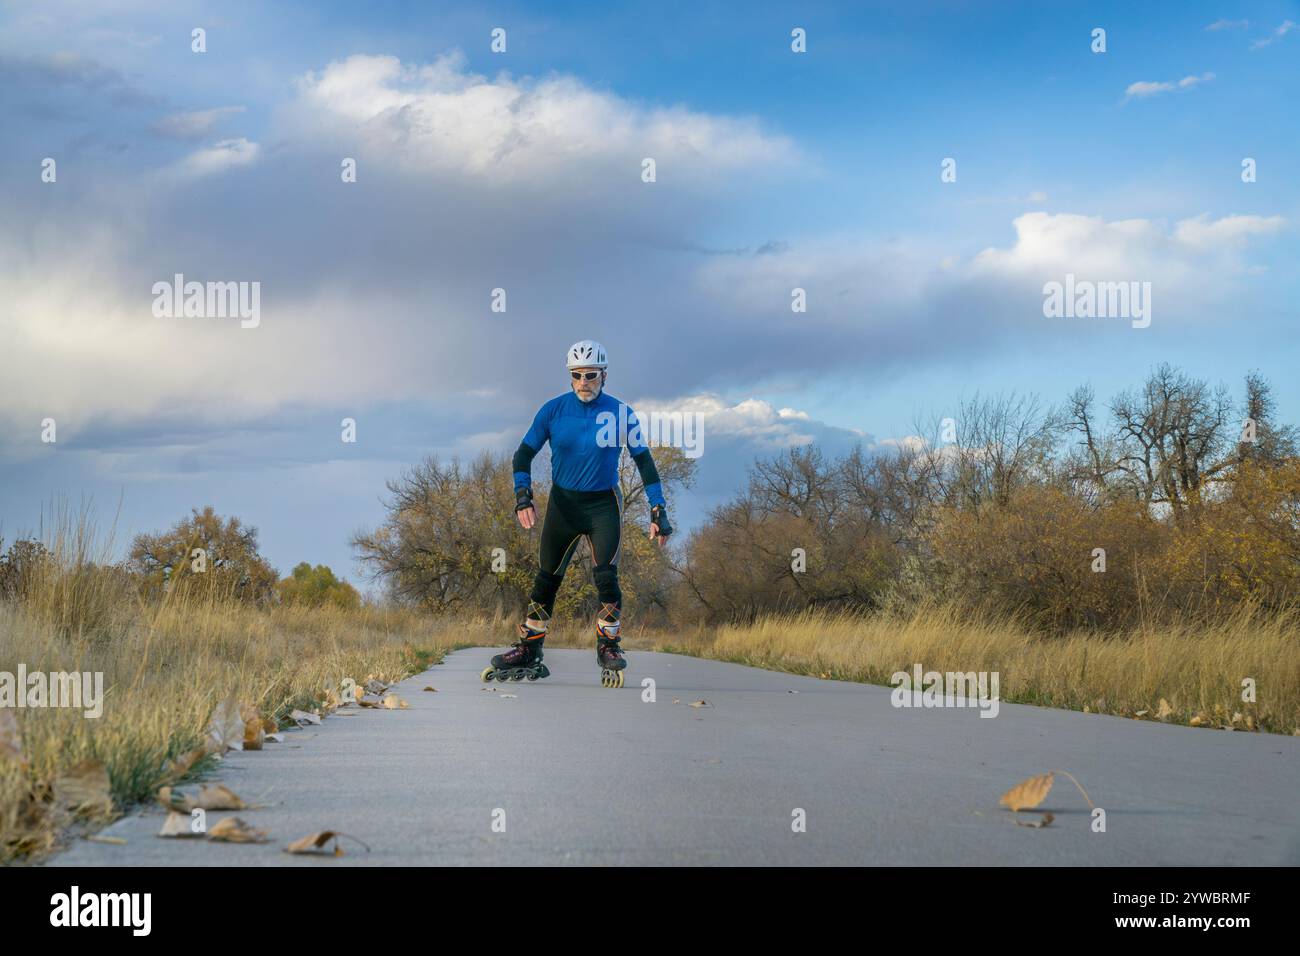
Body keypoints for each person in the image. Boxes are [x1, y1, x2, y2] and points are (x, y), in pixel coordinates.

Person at [481, 340, 672, 686]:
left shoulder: (620, 412)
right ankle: (530, 647)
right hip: (563, 505)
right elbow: (522, 456)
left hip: (603, 506)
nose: (584, 382)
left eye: (591, 375)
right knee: (546, 578)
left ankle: (609, 645)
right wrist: (523, 496)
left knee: (605, 577)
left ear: (604, 375)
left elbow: (643, 460)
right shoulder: (553, 411)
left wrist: (658, 509)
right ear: (570, 377)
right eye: (577, 375)